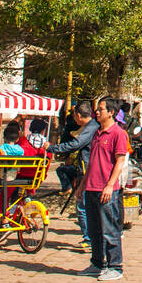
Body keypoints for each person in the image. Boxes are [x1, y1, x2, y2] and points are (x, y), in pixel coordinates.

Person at [80, 97, 129, 280]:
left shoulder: (117, 133)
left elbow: (120, 161)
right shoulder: (96, 133)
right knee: (94, 230)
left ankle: (115, 266)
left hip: (107, 189)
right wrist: (83, 183)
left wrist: (110, 185)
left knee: (110, 229)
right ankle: (98, 263)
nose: (97, 112)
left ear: (111, 112)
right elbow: (92, 160)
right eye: (97, 109)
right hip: (91, 187)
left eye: (101, 109)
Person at [48, 102, 99, 252]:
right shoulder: (92, 126)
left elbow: (75, 144)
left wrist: (52, 148)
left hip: (88, 171)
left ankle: (89, 239)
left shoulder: (90, 128)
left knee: (82, 205)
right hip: (87, 170)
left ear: (78, 115)